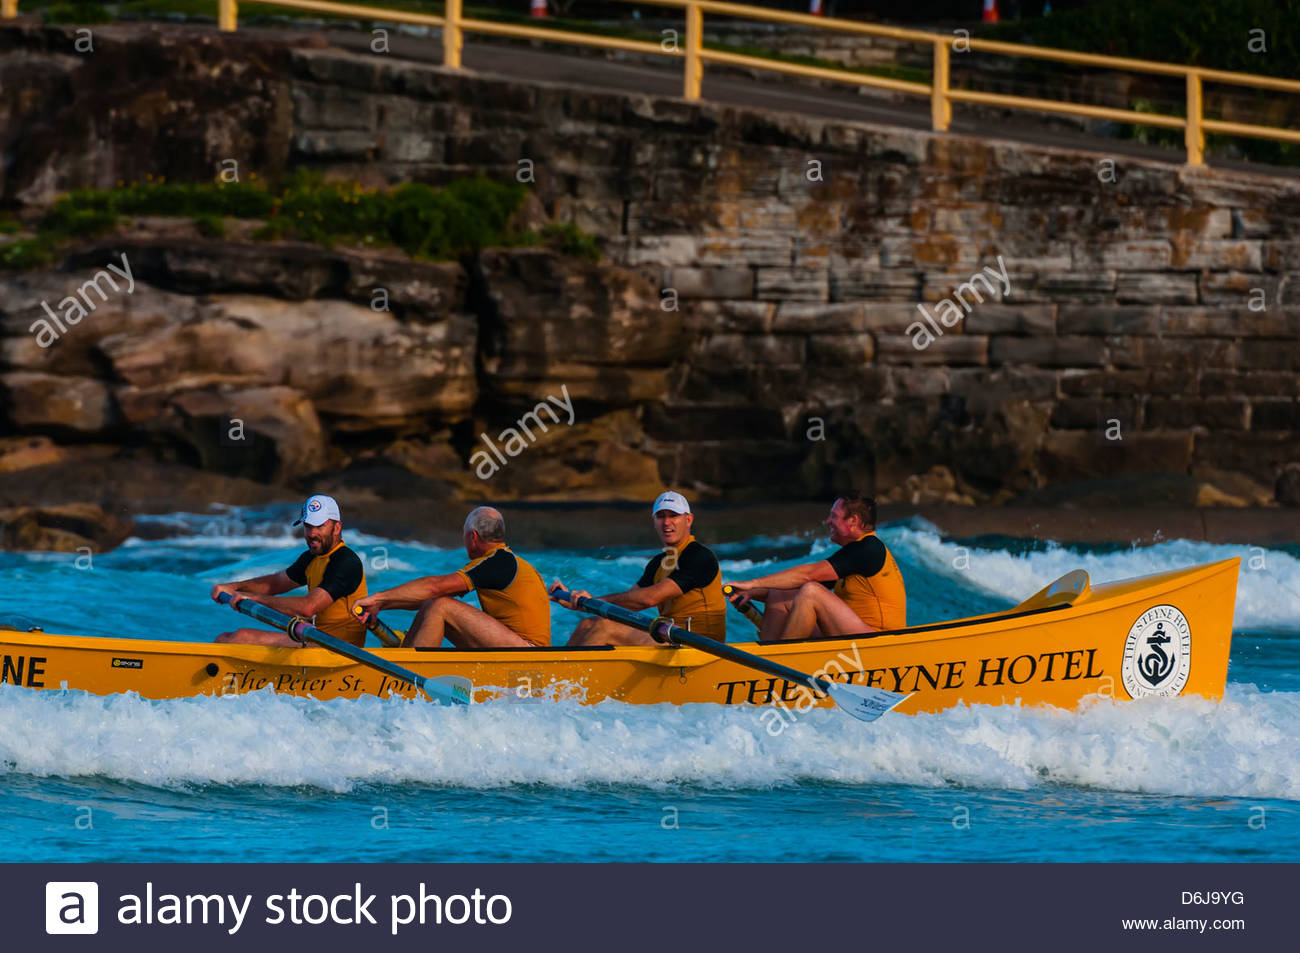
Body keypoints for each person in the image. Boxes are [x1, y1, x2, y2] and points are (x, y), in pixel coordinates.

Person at [355, 506, 550, 647]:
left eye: (464, 535)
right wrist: (382, 605)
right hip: (517, 647)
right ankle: (404, 647)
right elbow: (429, 595)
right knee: (436, 604)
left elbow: (434, 587)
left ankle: (407, 671)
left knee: (440, 606)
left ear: (473, 537)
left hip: (527, 653)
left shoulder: (497, 562)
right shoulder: (506, 560)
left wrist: (378, 597)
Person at [551, 490, 726, 646]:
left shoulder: (700, 556)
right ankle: (554, 676)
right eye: (661, 516)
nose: (667, 522)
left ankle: (570, 681)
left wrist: (592, 601)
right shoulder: (659, 562)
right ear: (654, 521)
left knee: (605, 628)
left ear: (688, 520)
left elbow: (648, 599)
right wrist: (582, 604)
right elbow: (630, 605)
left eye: (673, 515)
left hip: (702, 646)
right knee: (588, 624)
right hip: (671, 637)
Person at [725, 492, 905, 641]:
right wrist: (751, 593)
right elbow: (796, 587)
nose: (828, 521)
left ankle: (784, 662)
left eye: (834, 516)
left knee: (811, 591)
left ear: (853, 521)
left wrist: (753, 583)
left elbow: (808, 576)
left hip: (880, 642)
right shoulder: (852, 554)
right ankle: (766, 660)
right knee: (781, 593)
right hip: (855, 635)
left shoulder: (868, 549)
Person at [211, 494, 368, 646]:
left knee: (239, 638)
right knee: (225, 637)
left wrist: (254, 598)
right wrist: (234, 587)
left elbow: (308, 607)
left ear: (336, 527)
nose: (312, 534)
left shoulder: (346, 562)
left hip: (342, 648)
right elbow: (276, 583)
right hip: (319, 636)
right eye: (308, 526)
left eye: (320, 526)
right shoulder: (312, 557)